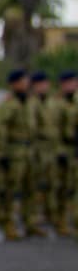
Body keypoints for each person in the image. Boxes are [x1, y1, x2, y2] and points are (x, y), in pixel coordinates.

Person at [0, 69, 38, 239]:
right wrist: (3, 153)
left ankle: (30, 223)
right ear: (14, 84)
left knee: (30, 189)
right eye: (23, 80)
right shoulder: (9, 104)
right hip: (14, 151)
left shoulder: (30, 101)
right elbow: (0, 129)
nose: (26, 82)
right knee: (11, 190)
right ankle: (9, 225)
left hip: (28, 151)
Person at [29, 72, 58, 234]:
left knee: (55, 183)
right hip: (36, 148)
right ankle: (34, 217)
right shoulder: (30, 103)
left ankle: (53, 215)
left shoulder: (54, 102)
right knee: (35, 184)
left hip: (53, 147)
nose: (44, 86)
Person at [57, 71, 78, 237]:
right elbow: (55, 131)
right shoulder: (57, 104)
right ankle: (64, 222)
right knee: (65, 187)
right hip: (66, 148)